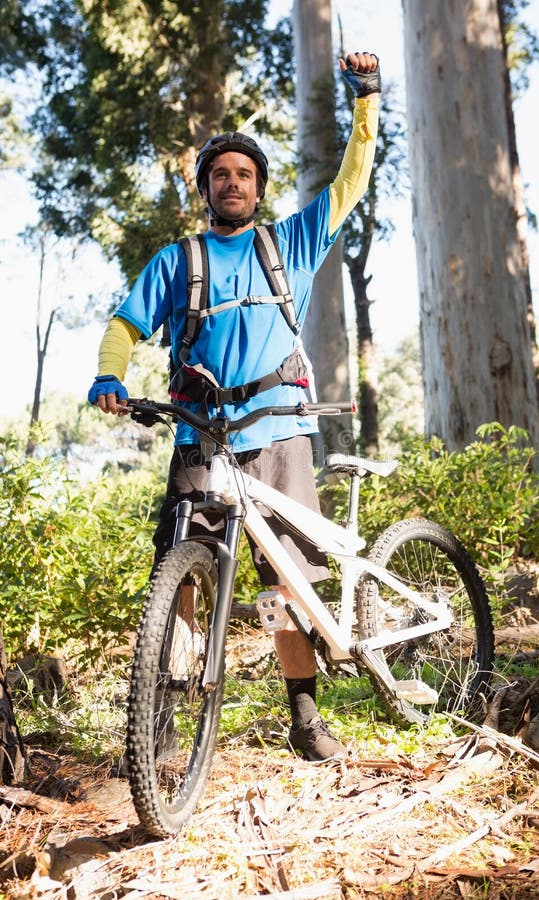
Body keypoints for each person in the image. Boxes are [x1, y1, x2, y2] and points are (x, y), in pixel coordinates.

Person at [88, 51, 381, 761]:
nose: (233, 183)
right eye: (220, 174)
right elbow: (125, 326)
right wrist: (109, 377)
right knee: (181, 572)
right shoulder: (178, 261)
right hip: (201, 436)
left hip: (280, 431)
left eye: (244, 174)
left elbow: (350, 182)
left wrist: (365, 98)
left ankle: (305, 718)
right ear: (206, 189)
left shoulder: (290, 244)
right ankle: (161, 721)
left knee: (286, 579)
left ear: (258, 187)